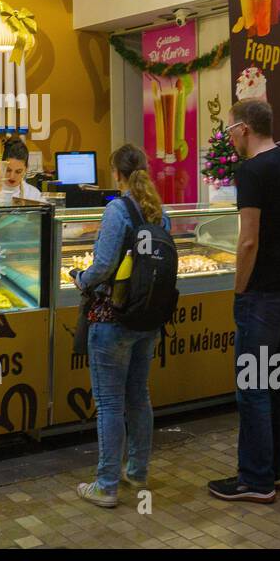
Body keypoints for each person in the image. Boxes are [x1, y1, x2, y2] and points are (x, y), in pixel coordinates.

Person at [208, 99, 280, 504]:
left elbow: (248, 239)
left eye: (231, 130)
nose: (230, 137)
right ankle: (277, 471)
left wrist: (239, 289)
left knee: (252, 386)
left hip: (263, 294)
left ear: (244, 130)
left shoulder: (252, 170)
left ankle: (254, 479)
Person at [70, 143, 169, 508]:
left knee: (110, 403)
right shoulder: (159, 210)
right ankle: (137, 471)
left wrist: (81, 278)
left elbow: (104, 266)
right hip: (148, 318)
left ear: (117, 174)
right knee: (138, 396)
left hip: (113, 319)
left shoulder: (117, 209)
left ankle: (106, 485)